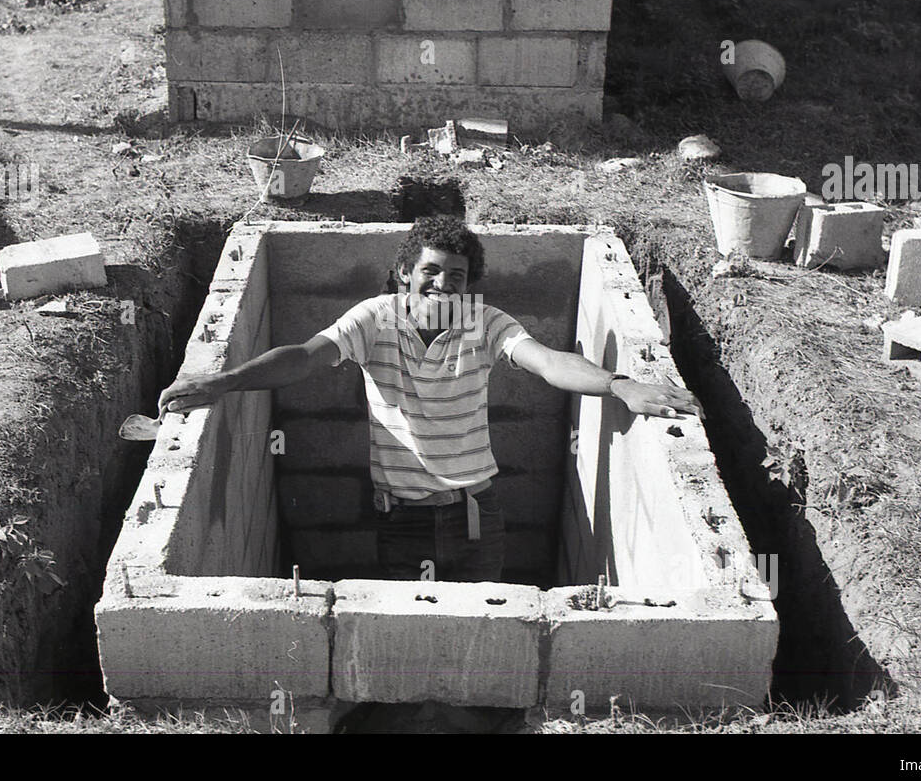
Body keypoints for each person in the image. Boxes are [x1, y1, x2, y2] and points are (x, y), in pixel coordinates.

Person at [157, 216, 700, 582]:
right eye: (431, 271)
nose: (443, 284)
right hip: (401, 520)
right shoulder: (373, 319)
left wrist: (619, 385)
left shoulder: (485, 323)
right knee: (413, 643)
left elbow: (548, 361)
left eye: (456, 276)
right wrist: (222, 383)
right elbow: (303, 357)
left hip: (474, 517)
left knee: (478, 639)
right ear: (405, 273)